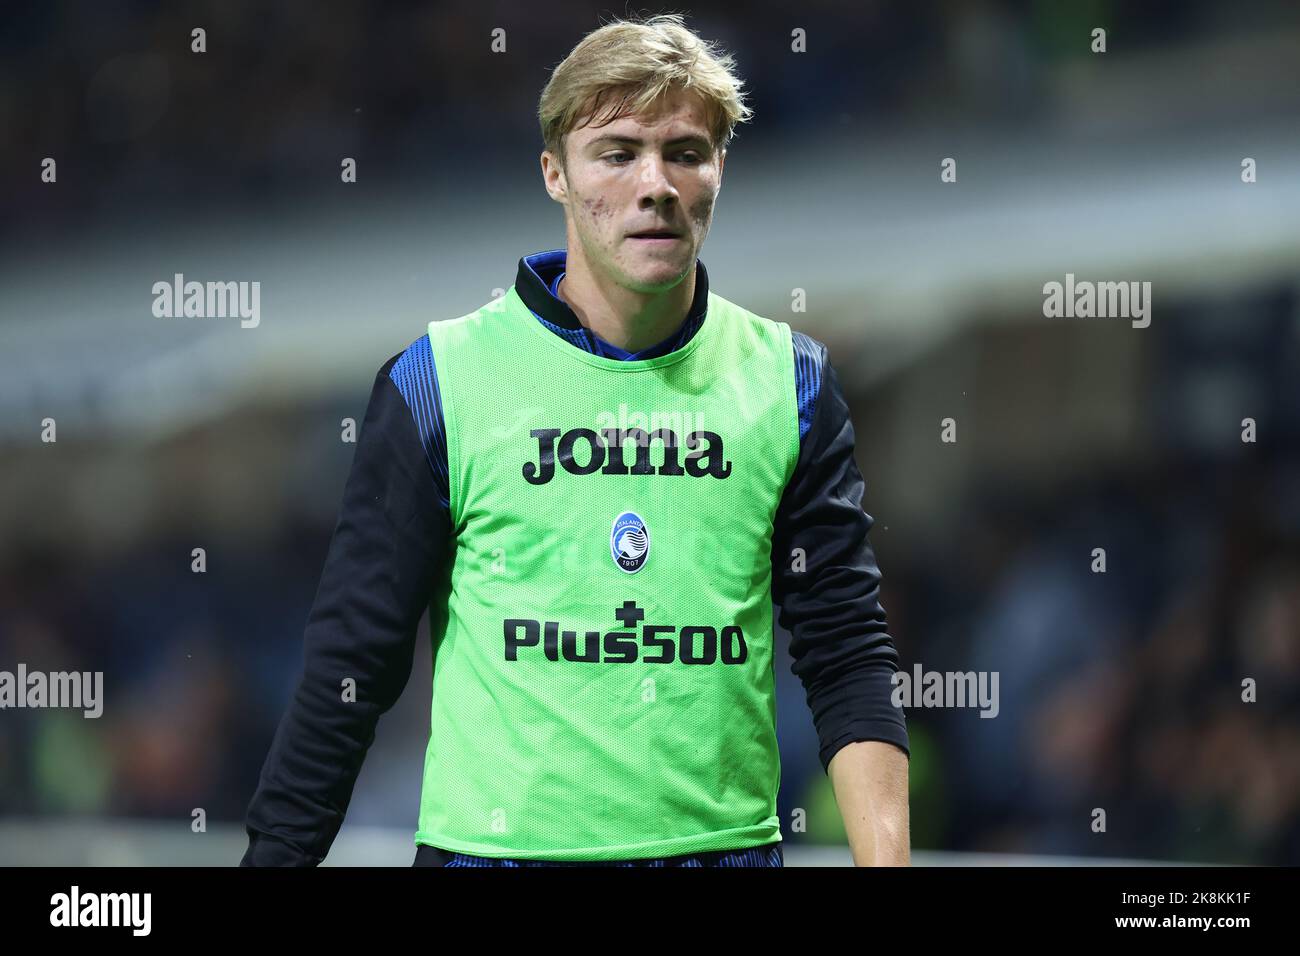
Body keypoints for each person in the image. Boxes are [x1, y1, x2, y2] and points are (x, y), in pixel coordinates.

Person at [242, 12, 909, 868]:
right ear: (555, 173)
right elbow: (350, 673)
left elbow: (847, 651)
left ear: (718, 171)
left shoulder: (791, 381)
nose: (656, 184)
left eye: (685, 152)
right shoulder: (436, 380)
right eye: (619, 152)